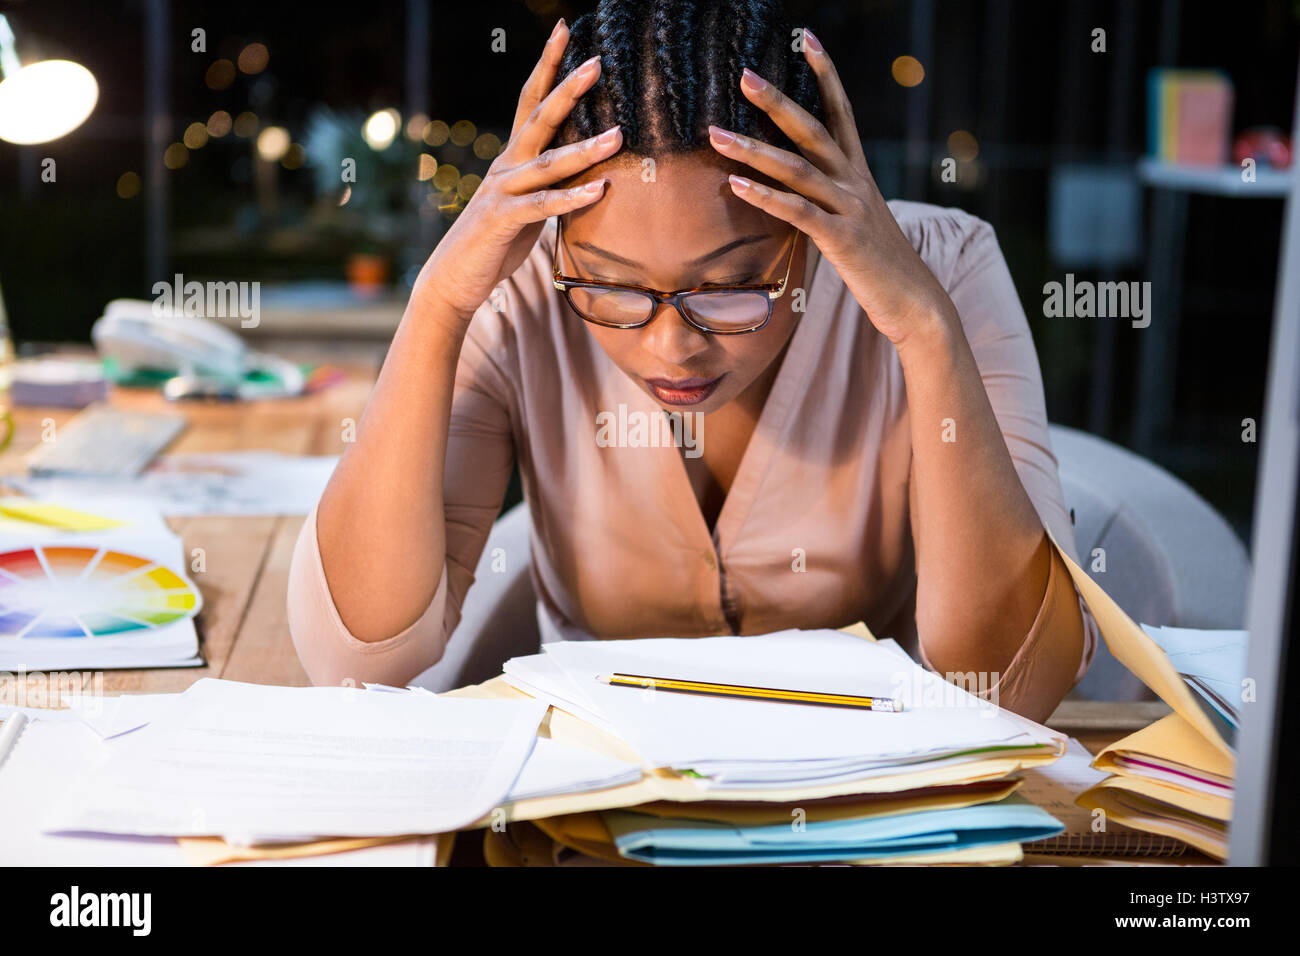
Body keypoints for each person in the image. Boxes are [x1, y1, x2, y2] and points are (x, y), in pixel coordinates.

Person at [287, 0, 1097, 722]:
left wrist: (924, 331)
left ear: (811, 217)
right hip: (590, 823)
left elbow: (1013, 687)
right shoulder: (522, 286)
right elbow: (355, 661)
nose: (673, 346)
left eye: (734, 284)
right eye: (609, 286)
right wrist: (437, 307)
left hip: (859, 817)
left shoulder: (943, 272)